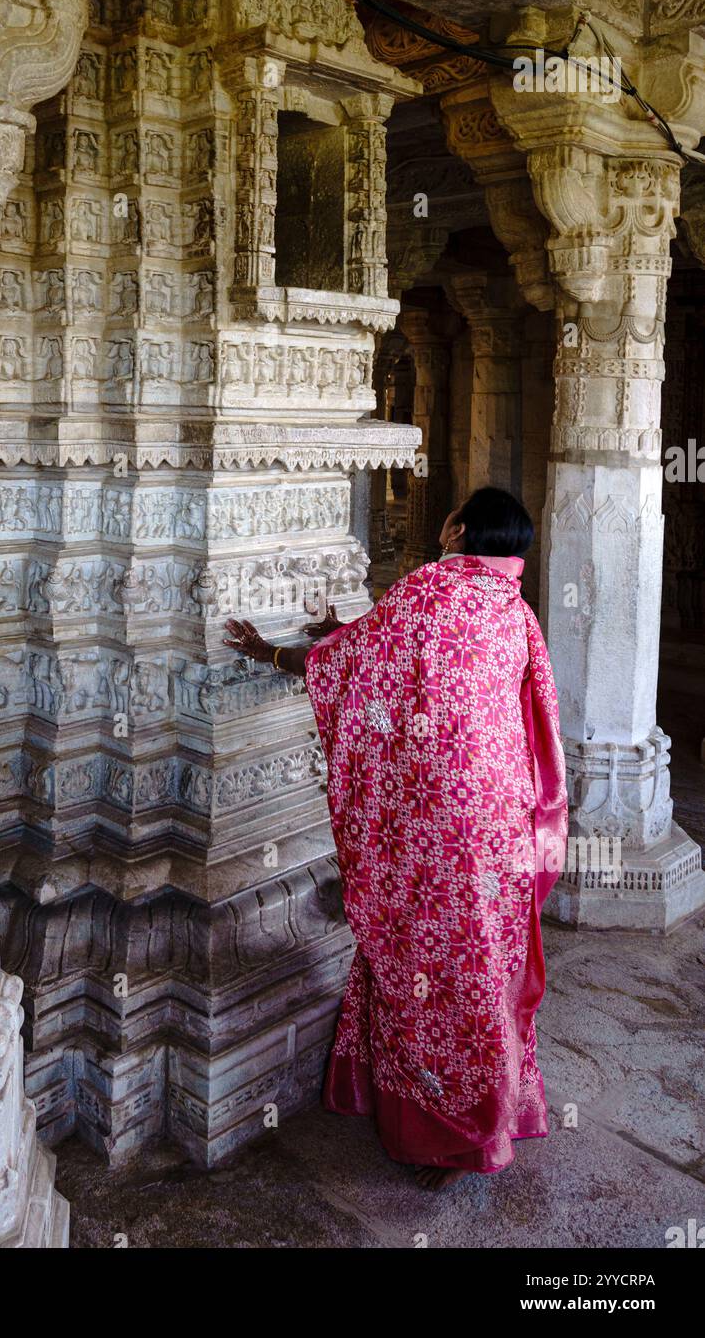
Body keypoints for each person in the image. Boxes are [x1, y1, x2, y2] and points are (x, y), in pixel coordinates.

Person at [224, 487, 568, 1188]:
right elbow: (535, 719)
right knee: (486, 964)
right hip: (501, 824)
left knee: (427, 964)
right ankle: (495, 1110)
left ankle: (440, 1136)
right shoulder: (515, 611)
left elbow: (362, 663)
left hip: (437, 829)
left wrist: (270, 655)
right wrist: (344, 634)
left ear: (458, 527)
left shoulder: (427, 590)